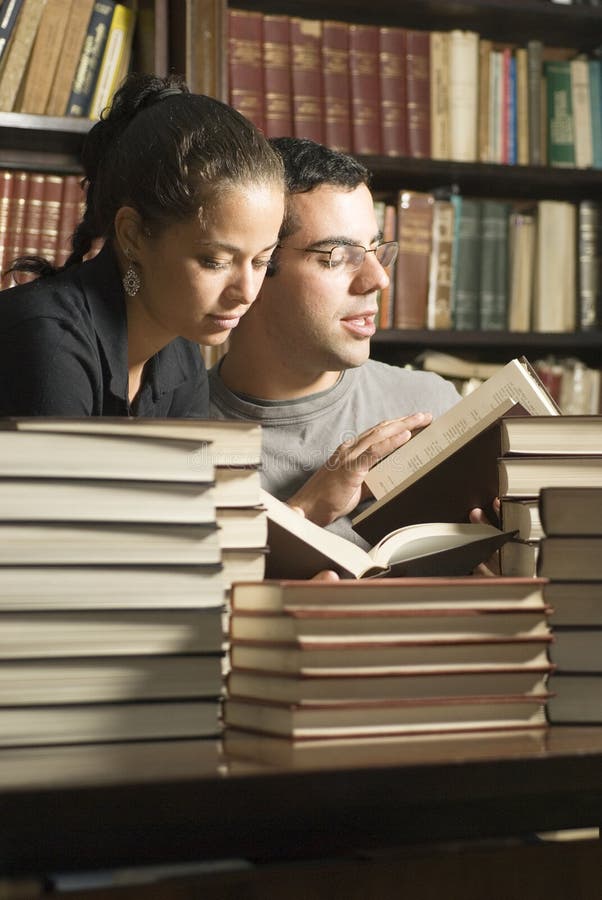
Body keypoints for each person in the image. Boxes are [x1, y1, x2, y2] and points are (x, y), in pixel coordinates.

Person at [209, 137, 462, 548]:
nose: (378, 279)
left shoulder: (433, 405)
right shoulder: (180, 432)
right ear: (254, 265)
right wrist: (305, 510)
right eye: (338, 256)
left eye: (377, 250)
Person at [0, 73, 284, 418]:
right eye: (215, 261)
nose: (246, 292)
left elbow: (190, 472)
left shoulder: (181, 353)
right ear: (132, 235)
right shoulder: (47, 341)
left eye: (261, 261)